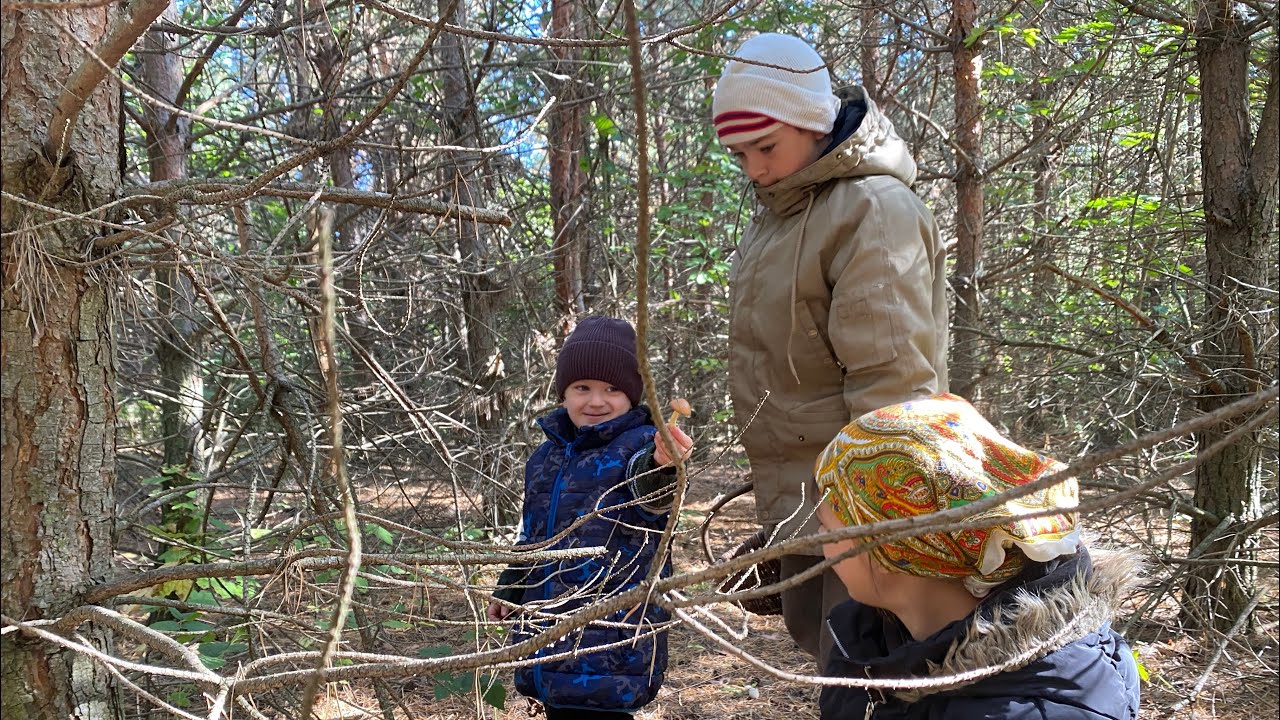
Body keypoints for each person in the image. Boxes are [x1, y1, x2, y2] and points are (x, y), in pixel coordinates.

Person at [712, 32, 949, 662]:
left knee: (876, 679)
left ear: (813, 122)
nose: (755, 169)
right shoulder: (784, 216)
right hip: (810, 505)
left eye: (766, 146)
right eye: (740, 155)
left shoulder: (870, 209)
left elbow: (892, 381)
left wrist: (879, 524)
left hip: (862, 511)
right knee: (838, 673)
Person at [811, 393, 1142, 719]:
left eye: (829, 529)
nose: (820, 540)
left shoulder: (1039, 711)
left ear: (896, 552)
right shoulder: (869, 642)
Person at [487, 315, 693, 719]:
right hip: (545, 631)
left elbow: (653, 499)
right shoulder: (544, 458)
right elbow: (533, 536)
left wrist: (664, 465)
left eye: (611, 389)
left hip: (611, 639)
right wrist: (512, 588)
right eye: (582, 388)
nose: (596, 401)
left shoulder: (640, 448)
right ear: (563, 392)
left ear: (632, 395)